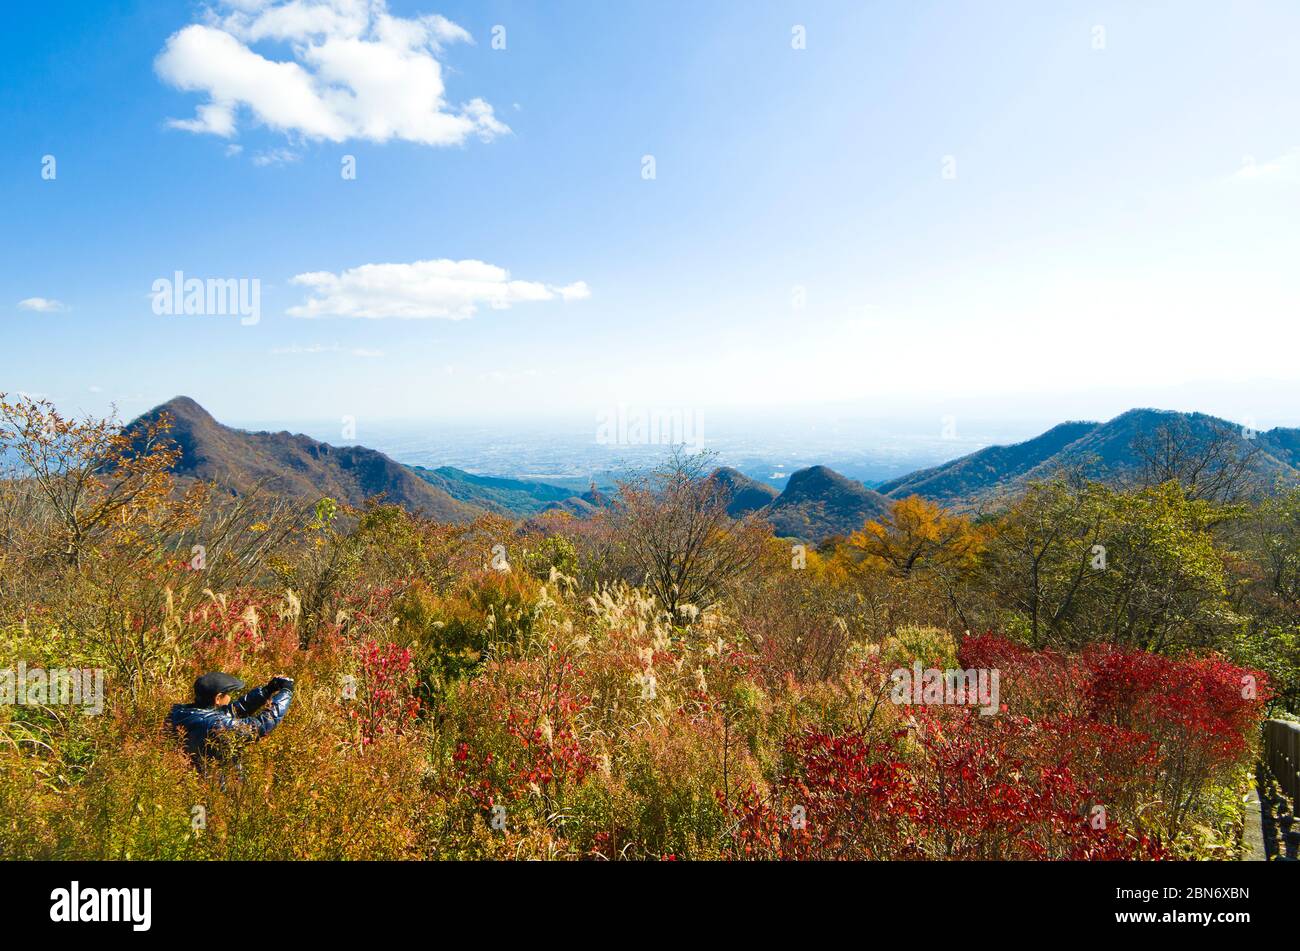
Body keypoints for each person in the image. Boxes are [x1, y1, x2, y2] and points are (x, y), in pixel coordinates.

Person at [168, 671, 294, 771]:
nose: (230, 697)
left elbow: (233, 710)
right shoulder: (214, 724)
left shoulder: (182, 714)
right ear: (218, 698)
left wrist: (268, 690)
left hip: (193, 779)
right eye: (228, 693)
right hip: (218, 789)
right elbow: (260, 726)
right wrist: (286, 692)